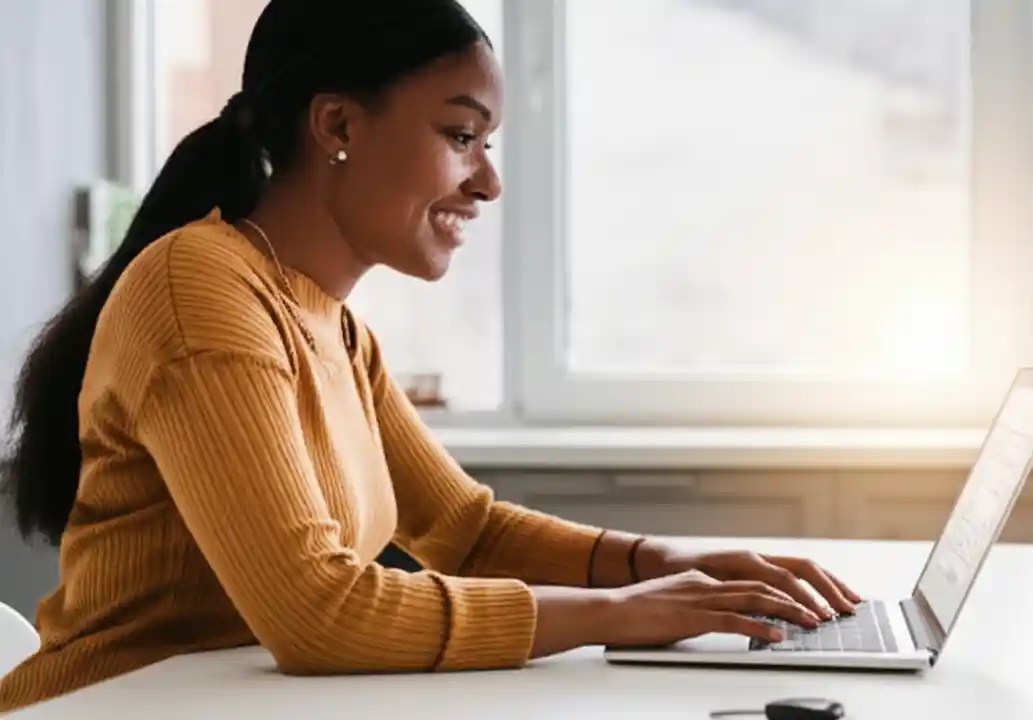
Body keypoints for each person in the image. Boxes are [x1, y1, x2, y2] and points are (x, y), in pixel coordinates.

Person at [0, 0, 859, 711]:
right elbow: (317, 612)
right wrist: (620, 613)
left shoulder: (332, 325)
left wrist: (662, 563)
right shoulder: (201, 290)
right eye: (461, 136)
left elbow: (466, 532)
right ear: (336, 123)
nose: (488, 183)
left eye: (489, 145)